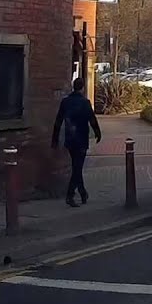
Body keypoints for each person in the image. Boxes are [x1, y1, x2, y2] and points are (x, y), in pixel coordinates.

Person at [52, 78, 102, 207]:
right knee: (77, 168)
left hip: (70, 138)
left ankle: (82, 192)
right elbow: (92, 120)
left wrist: (55, 139)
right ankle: (70, 195)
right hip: (81, 138)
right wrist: (98, 133)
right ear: (83, 88)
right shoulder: (85, 103)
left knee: (76, 166)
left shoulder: (65, 102)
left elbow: (58, 121)